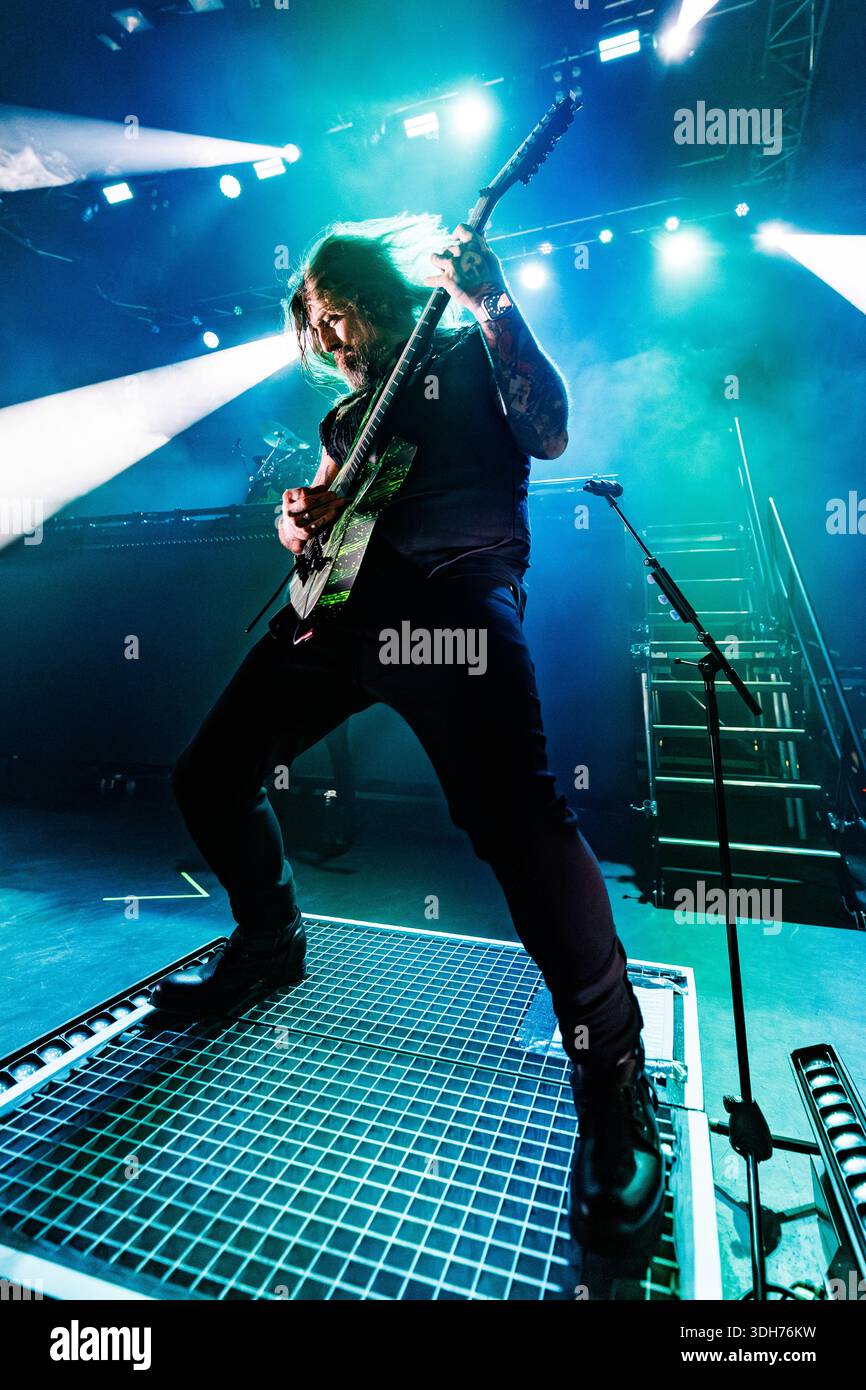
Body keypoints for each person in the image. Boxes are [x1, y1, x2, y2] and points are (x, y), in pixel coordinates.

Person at [152, 217, 665, 1256]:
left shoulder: (471, 349)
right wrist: (301, 519)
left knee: (516, 818)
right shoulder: (348, 417)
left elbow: (551, 430)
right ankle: (269, 939)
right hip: (339, 619)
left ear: (379, 294)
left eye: (338, 315)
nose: (331, 339)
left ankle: (611, 1071)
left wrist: (494, 299)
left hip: (452, 600)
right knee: (208, 774)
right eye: (316, 328)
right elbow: (324, 523)